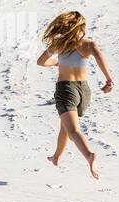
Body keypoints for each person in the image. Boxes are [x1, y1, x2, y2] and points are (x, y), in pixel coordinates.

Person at [36, 11, 113, 179]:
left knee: (73, 130)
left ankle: (89, 155)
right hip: (84, 91)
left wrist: (56, 62)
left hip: (66, 89)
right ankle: (56, 156)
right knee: (66, 125)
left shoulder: (59, 44)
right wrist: (109, 80)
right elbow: (100, 57)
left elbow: (40, 62)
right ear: (81, 27)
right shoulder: (89, 44)